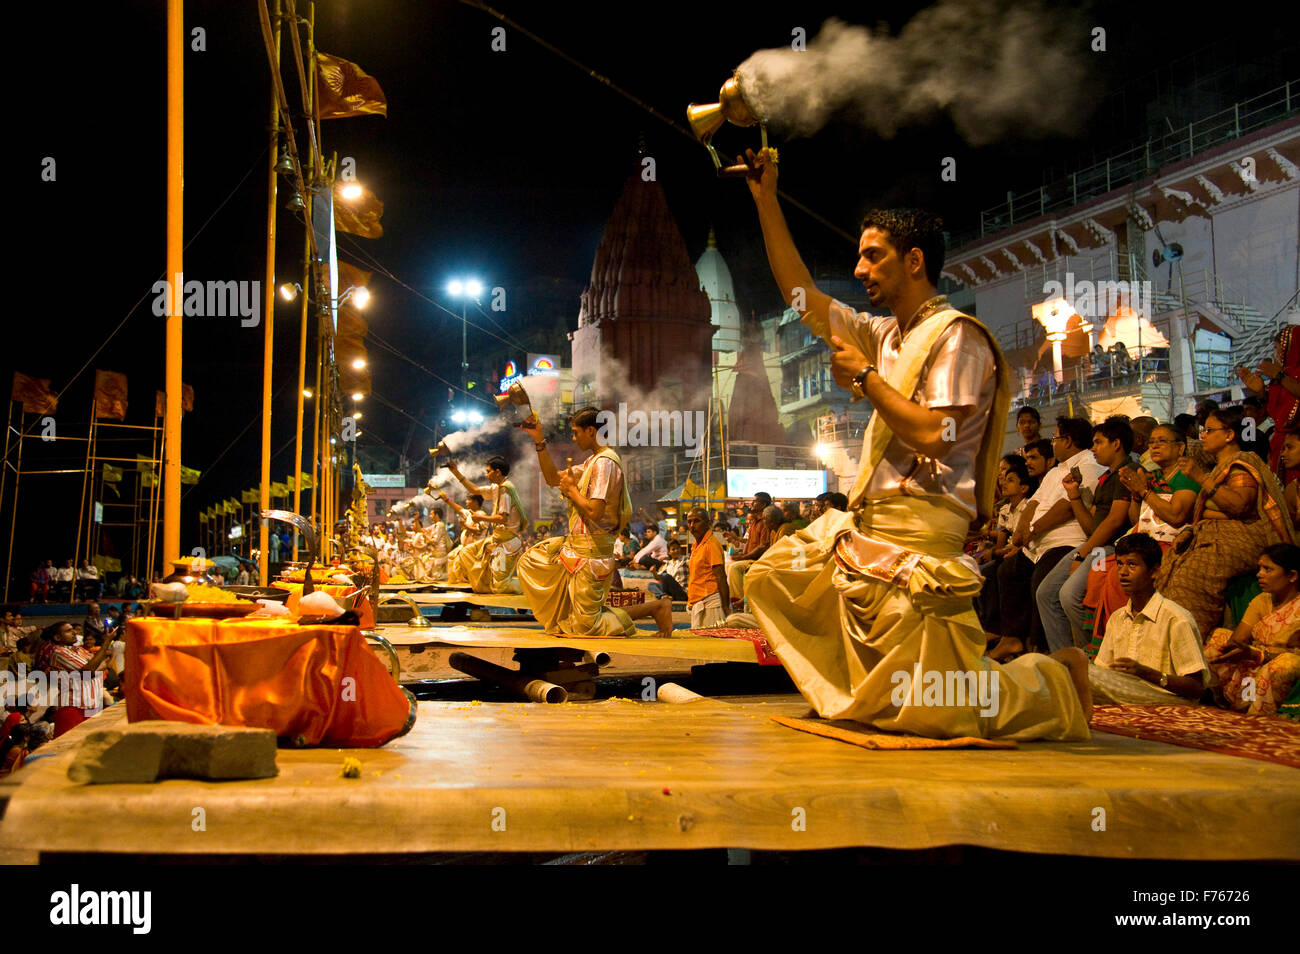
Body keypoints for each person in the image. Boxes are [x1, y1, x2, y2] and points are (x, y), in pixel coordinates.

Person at [738, 152, 1089, 740]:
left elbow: (934, 433)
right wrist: (765, 199)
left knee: (938, 713)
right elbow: (801, 296)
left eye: (872, 255)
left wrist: (866, 379)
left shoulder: (957, 336)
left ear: (915, 259)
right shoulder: (883, 334)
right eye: (859, 255)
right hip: (870, 528)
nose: (858, 269)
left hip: (925, 530)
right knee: (772, 576)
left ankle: (1054, 682)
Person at [516, 407, 673, 637]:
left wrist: (571, 490)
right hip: (577, 549)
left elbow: (595, 511)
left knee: (585, 626)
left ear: (591, 431)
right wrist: (539, 440)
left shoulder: (605, 463)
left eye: (575, 432)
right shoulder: (593, 461)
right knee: (531, 562)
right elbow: (552, 478)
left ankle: (657, 607)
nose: (573, 437)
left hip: (593, 554)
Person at [1157, 405, 1297, 639]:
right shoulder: (1219, 468)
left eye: (1209, 430)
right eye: (1202, 430)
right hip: (1219, 533)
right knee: (1172, 567)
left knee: (1193, 575)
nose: (1203, 435)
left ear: (1229, 435)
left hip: (1243, 538)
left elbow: (1240, 506)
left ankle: (1189, 644)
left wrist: (1199, 478)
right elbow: (1212, 511)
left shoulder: (1240, 463)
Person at [993, 417, 1104, 659]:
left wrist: (1033, 531)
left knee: (1041, 584)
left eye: (1055, 438)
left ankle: (1042, 646)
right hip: (1039, 543)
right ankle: (1011, 637)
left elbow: (1066, 507)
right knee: (1006, 571)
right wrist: (1022, 530)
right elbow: (1035, 501)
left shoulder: (1088, 465)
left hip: (1066, 541)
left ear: (1068, 440)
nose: (1053, 443)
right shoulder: (1056, 471)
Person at [1036, 416, 1138, 653]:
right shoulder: (1106, 478)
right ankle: (1064, 657)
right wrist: (1073, 495)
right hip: (1093, 545)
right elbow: (1090, 526)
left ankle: (1093, 658)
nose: (1093, 448)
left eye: (1099, 442)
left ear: (1117, 444)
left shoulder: (1128, 472)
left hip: (1109, 547)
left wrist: (1082, 554)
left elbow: (1113, 523)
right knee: (1046, 592)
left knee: (1070, 595)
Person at [1089, 533, 1209, 705]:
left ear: (1153, 571)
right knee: (1077, 673)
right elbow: (1102, 671)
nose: (1123, 572)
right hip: (1126, 695)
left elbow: (1196, 687)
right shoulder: (1117, 618)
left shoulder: (1176, 618)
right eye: (1120, 564)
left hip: (1165, 701)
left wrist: (1147, 674)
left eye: (1131, 564)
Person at [1203, 543, 1300, 716]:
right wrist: (1233, 650)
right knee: (1218, 637)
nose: (1259, 574)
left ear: (1292, 575)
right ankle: (1217, 700)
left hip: (1282, 667)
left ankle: (1256, 719)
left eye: (1268, 569)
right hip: (1254, 668)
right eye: (1260, 568)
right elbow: (1237, 639)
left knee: (1286, 663)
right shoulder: (1262, 600)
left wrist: (1260, 656)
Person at [446, 455, 528, 594]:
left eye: (488, 471)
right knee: (466, 552)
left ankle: (529, 587)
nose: (486, 474)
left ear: (498, 472)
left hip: (507, 543)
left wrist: (479, 517)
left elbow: (502, 519)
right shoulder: (496, 487)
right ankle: (482, 586)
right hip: (496, 540)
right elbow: (475, 491)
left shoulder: (505, 489)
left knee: (500, 587)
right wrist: (455, 472)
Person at [725, 493, 775, 610]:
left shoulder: (765, 521)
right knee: (727, 565)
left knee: (734, 568)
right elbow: (749, 542)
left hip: (758, 561)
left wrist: (743, 557)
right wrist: (737, 544)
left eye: (755, 502)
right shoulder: (754, 521)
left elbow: (762, 547)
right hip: (749, 558)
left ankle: (739, 602)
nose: (751, 504)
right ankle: (734, 599)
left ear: (763, 505)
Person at [683, 507, 729, 629]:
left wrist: (726, 608)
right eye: (689, 522)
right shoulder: (696, 545)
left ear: (708, 523)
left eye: (696, 521)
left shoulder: (711, 545)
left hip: (711, 604)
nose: (692, 525)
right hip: (699, 602)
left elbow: (721, 576)